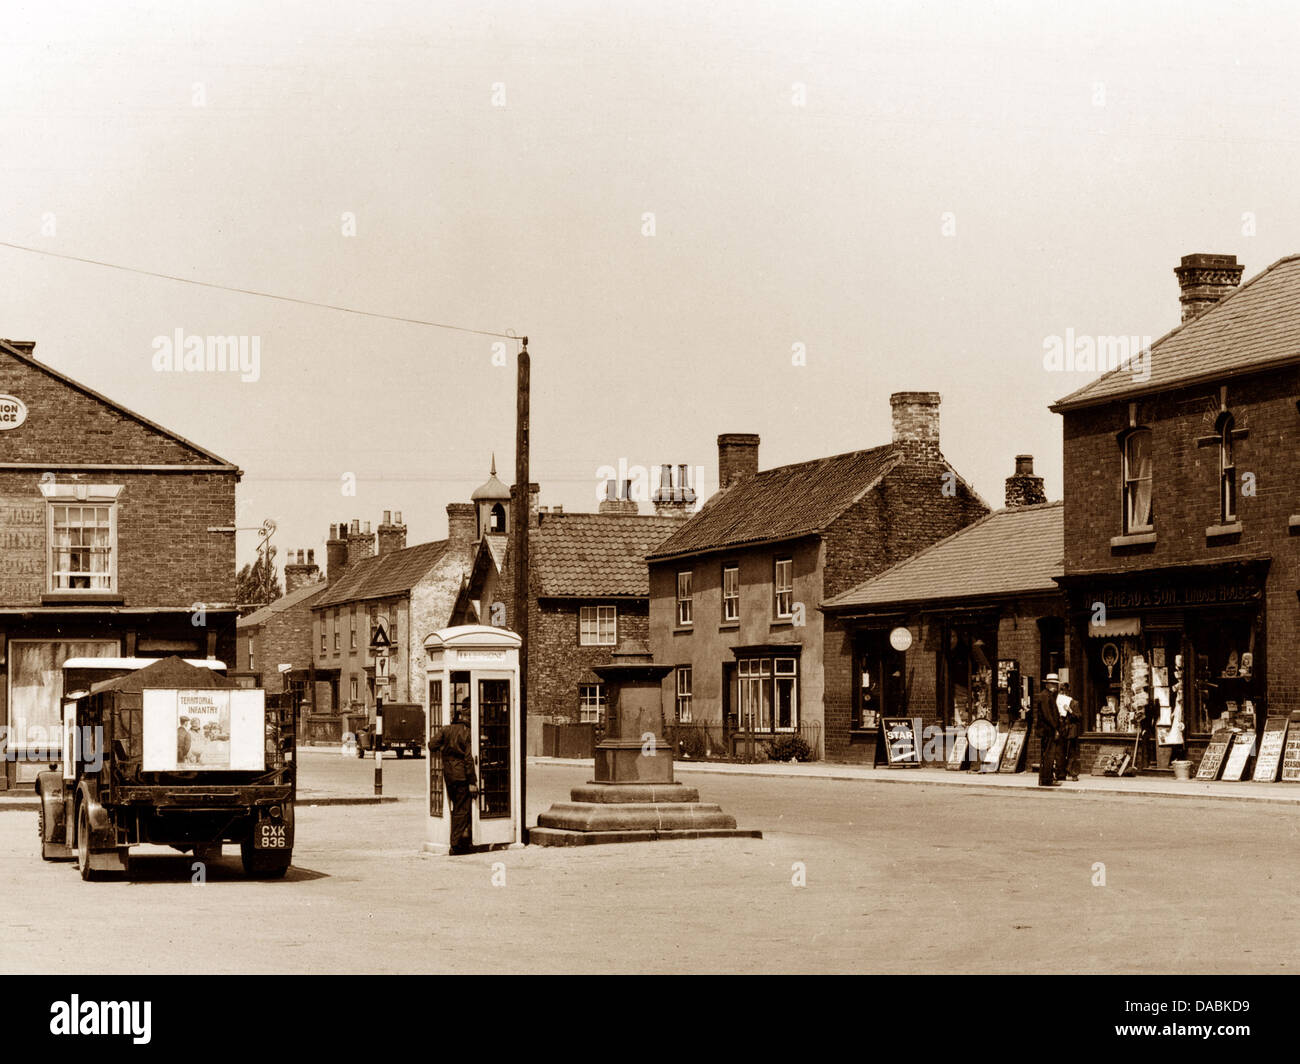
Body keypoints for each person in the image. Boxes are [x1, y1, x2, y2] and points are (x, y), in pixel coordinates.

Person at [429, 698, 478, 854]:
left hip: (448, 775)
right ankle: (456, 844)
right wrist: (472, 781)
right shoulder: (468, 733)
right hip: (462, 775)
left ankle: (460, 840)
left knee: (456, 807)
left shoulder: (446, 729)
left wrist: (445, 749)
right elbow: (469, 759)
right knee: (462, 810)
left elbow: (431, 745)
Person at [1034, 674, 1063, 786]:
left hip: (1047, 729)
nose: (1056, 687)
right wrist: (1056, 727)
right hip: (1047, 730)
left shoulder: (1047, 695)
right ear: (1049, 684)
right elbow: (1048, 715)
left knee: (1048, 755)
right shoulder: (1046, 696)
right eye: (1054, 684)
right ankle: (1046, 779)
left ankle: (1046, 778)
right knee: (1048, 755)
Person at [1058, 680, 1083, 781]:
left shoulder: (1074, 703)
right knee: (1061, 753)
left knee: (1072, 753)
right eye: (1061, 691)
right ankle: (1061, 773)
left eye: (1064, 691)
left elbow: (1078, 716)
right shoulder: (1058, 702)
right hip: (1062, 730)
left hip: (1071, 731)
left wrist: (1070, 710)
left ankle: (1073, 773)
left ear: (1068, 692)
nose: (1063, 693)